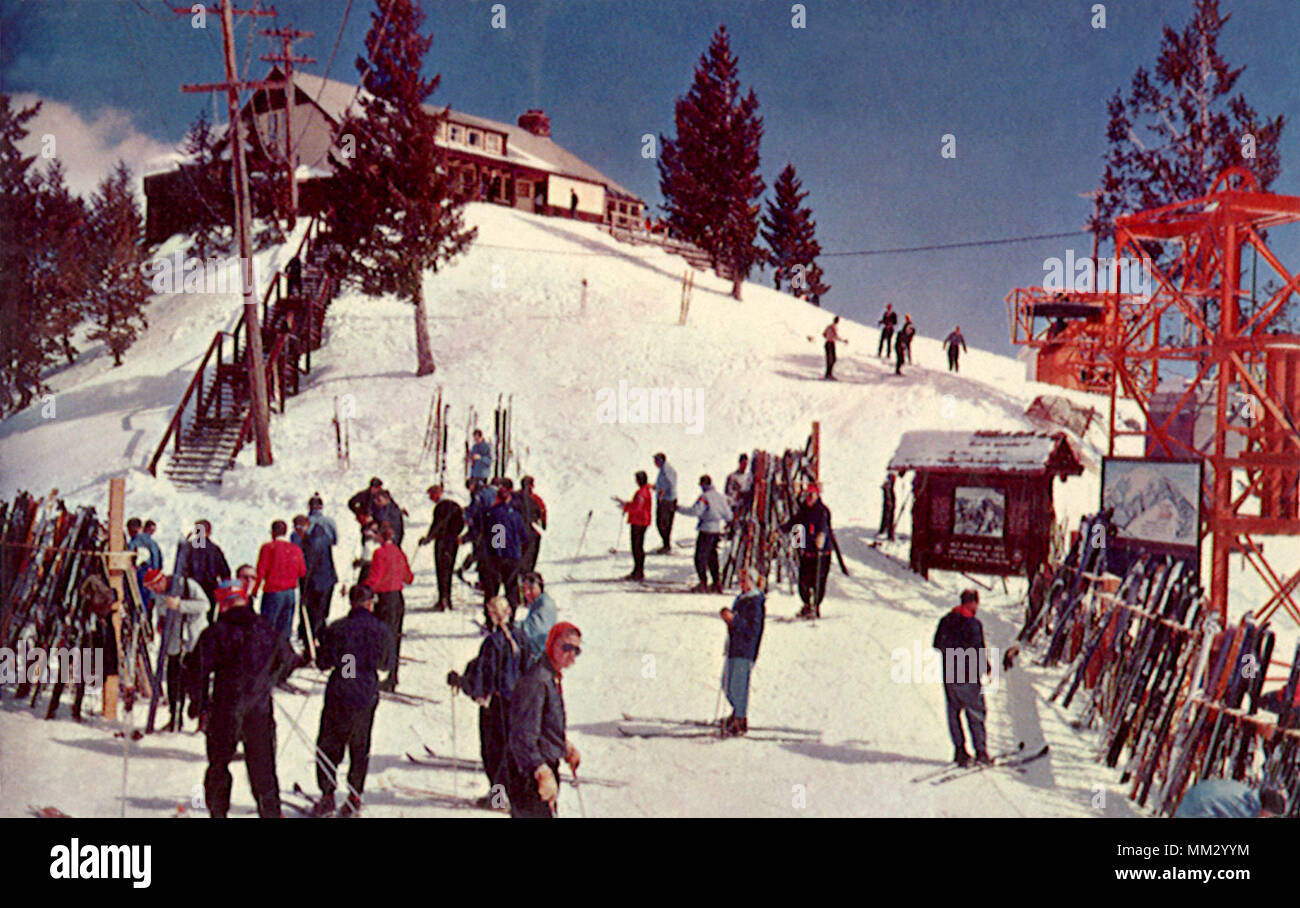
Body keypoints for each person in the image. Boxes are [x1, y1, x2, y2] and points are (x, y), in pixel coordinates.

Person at [189, 581, 297, 818]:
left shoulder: (215, 632)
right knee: (263, 771)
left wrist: (198, 704)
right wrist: (269, 680)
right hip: (258, 710)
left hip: (225, 709)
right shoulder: (266, 629)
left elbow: (196, 670)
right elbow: (289, 660)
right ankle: (270, 814)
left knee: (218, 766)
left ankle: (218, 813)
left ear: (224, 604)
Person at [310, 583, 395, 818]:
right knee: (359, 745)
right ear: (369, 603)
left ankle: (327, 794)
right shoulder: (381, 630)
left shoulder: (337, 628)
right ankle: (354, 795)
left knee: (329, 743)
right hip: (365, 693)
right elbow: (386, 664)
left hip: (339, 690)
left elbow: (323, 662)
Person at [447, 595, 528, 808]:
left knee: (493, 752)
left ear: (492, 615)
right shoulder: (521, 637)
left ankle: (499, 798)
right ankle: (510, 795)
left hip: (496, 705)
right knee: (509, 751)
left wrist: (461, 681)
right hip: (517, 703)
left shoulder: (493, 643)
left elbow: (483, 678)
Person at [507, 622, 583, 818]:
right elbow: (522, 735)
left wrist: (563, 746)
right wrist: (539, 769)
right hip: (529, 776)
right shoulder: (537, 681)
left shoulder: (550, 678)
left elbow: (543, 725)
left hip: (543, 769)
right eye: (566, 647)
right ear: (551, 643)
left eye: (576, 650)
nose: (571, 655)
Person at [142, 567, 208, 733]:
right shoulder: (159, 595)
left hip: (193, 641)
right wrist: (161, 623)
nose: (155, 591)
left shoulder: (187, 585)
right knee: (173, 682)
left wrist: (181, 605)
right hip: (173, 643)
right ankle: (175, 718)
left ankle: (203, 718)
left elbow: (204, 605)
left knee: (197, 682)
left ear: (162, 580)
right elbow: (161, 611)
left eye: (155, 586)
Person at [932, 589, 992, 768]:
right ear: (973, 603)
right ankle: (981, 752)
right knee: (976, 712)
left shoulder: (946, 620)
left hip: (950, 673)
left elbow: (937, 644)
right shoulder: (973, 624)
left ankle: (960, 751)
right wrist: (986, 668)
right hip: (968, 674)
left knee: (953, 713)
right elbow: (978, 650)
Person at [719, 567, 766, 737]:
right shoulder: (742, 599)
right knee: (727, 683)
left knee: (738, 685)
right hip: (734, 647)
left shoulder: (755, 602)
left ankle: (740, 718)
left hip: (745, 649)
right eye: (740, 580)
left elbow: (752, 629)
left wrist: (735, 620)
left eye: (744, 580)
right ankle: (736, 712)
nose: (741, 584)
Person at [367, 523, 413, 692]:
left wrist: (365, 588)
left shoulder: (379, 553)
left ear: (380, 536)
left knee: (380, 635)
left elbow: (375, 578)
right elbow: (409, 577)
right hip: (398, 598)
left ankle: (377, 670)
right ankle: (393, 675)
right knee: (396, 635)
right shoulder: (399, 552)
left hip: (384, 598)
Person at [780, 483, 834, 618]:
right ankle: (806, 604)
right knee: (804, 581)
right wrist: (781, 530)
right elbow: (794, 522)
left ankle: (815, 606)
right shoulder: (803, 510)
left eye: (811, 495)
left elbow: (824, 526)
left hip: (821, 553)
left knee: (818, 581)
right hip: (807, 552)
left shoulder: (822, 511)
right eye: (807, 495)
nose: (809, 498)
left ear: (817, 495)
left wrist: (821, 536)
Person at [251, 520, 307, 641]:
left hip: (273, 592)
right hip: (290, 593)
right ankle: (283, 656)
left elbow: (261, 570)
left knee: (268, 627)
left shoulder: (268, 548)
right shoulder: (295, 549)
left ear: (272, 532)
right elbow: (302, 571)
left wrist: (254, 590)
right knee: (285, 629)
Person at [677, 475, 733, 593]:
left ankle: (703, 582)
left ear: (703, 484)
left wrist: (679, 509)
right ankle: (716, 582)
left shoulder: (704, 497)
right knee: (712, 556)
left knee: (700, 557)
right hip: (716, 530)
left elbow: (696, 511)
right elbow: (728, 515)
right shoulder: (721, 497)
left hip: (706, 529)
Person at [481, 485, 529, 621]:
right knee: (511, 589)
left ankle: (490, 620)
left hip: (497, 557)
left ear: (496, 498)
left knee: (491, 590)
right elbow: (524, 537)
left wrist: (496, 553)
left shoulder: (492, 513)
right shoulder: (515, 514)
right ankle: (511, 617)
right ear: (508, 498)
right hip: (513, 557)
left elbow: (497, 536)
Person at [418, 484, 464, 612]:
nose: (430, 498)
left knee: (441, 570)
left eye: (431, 495)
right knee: (449, 570)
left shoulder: (440, 507)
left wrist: (428, 538)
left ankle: (442, 599)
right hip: (453, 542)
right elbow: (460, 523)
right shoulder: (455, 505)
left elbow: (437, 526)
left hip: (442, 543)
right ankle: (447, 599)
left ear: (436, 494)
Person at [302, 495, 339, 649]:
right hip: (328, 573)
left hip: (310, 576)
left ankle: (309, 643)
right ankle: (322, 640)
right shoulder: (329, 522)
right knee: (323, 611)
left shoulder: (304, 524)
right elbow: (335, 541)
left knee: (308, 610)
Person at [185, 519, 232, 622]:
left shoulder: (188, 548)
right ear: (209, 532)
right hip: (210, 588)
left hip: (191, 588)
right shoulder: (214, 549)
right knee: (208, 618)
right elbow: (225, 572)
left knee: (191, 619)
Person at [1173, 779, 1288, 818]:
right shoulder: (1244, 809)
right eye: (1270, 815)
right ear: (1266, 809)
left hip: (1191, 798)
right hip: (1195, 811)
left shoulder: (1246, 792)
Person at [615, 471, 653, 580]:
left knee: (636, 547)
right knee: (638, 547)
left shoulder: (641, 492)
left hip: (639, 521)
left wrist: (626, 507)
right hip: (642, 521)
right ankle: (638, 571)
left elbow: (637, 507)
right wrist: (626, 504)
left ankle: (638, 571)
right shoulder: (645, 490)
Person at [518, 572, 557, 663]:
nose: (527, 593)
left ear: (540, 586)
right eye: (524, 589)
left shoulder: (545, 604)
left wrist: (513, 627)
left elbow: (535, 628)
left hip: (541, 657)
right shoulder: (536, 602)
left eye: (531, 588)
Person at [513, 476, 548, 573]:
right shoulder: (534, 498)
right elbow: (542, 510)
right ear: (531, 486)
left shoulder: (514, 496)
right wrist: (543, 523)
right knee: (532, 549)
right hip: (528, 529)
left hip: (515, 529)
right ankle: (528, 570)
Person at [652, 452, 678, 553]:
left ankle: (666, 545)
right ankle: (666, 544)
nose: (654, 463)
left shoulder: (666, 470)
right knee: (663, 523)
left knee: (662, 523)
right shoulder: (664, 469)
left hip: (667, 500)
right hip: (666, 499)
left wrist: (662, 490)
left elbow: (669, 483)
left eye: (656, 461)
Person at [724, 453, 753, 519]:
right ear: (740, 463)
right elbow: (728, 492)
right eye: (743, 464)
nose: (744, 466)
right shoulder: (732, 477)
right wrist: (737, 494)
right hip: (734, 505)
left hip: (745, 506)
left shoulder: (748, 478)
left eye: (746, 464)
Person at [823, 315, 846, 380]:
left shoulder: (829, 326)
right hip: (831, 343)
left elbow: (824, 334)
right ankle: (828, 374)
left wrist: (828, 337)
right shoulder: (834, 327)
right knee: (832, 359)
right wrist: (843, 340)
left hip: (827, 343)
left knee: (830, 359)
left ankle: (828, 374)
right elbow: (836, 335)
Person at [878, 473, 896, 541]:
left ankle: (886, 530)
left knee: (889, 508)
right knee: (889, 508)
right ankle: (887, 531)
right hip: (888, 483)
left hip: (889, 482)